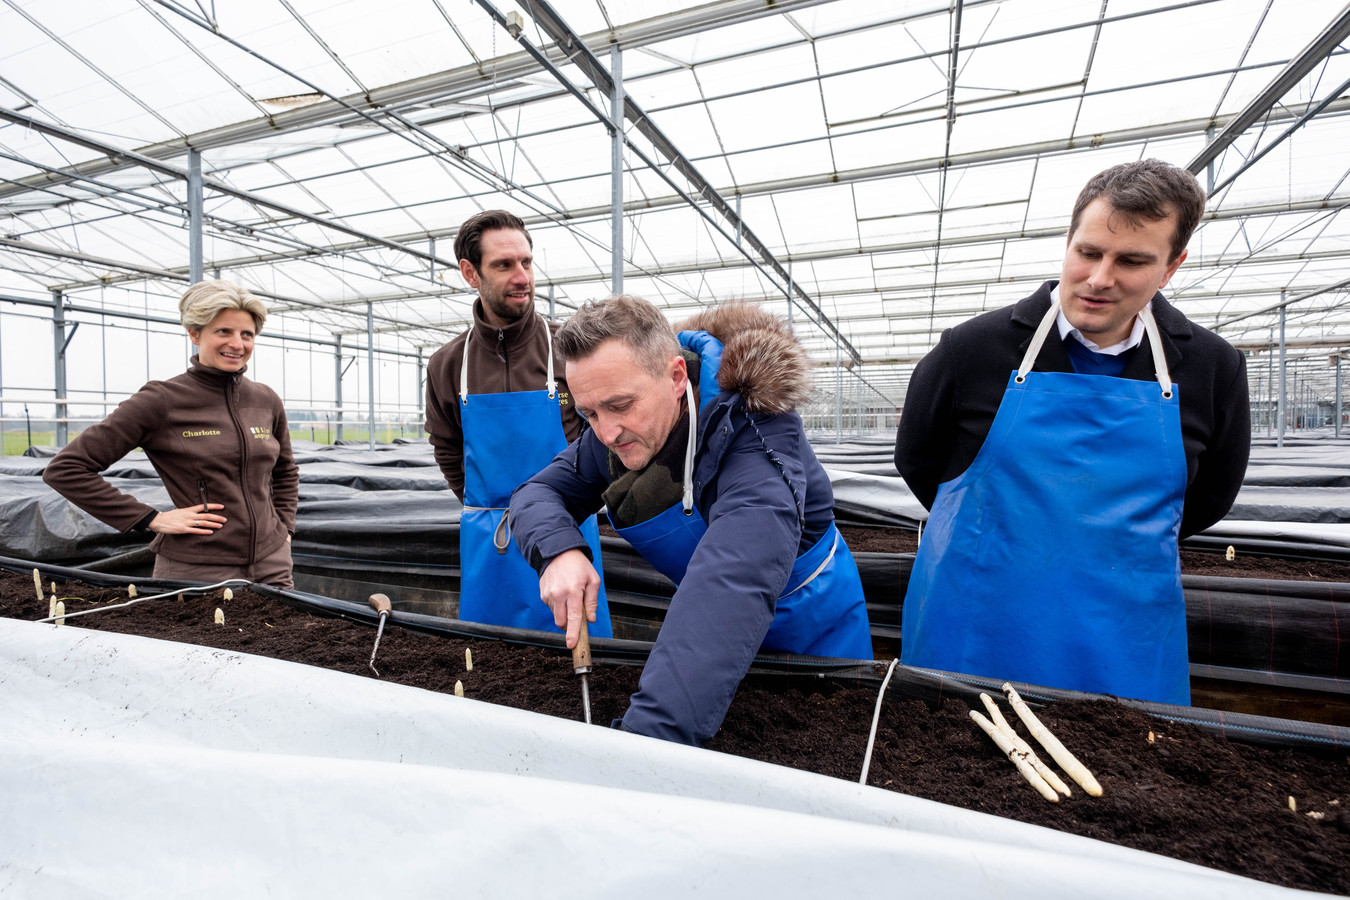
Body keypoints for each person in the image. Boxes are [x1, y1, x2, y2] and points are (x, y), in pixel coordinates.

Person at [893, 159, 1250, 706]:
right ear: (1069, 241)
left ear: (1172, 266)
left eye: (1132, 261)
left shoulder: (1212, 368)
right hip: (974, 626)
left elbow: (1208, 498)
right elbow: (919, 461)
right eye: (1088, 252)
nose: (1100, 278)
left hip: (1125, 638)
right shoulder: (971, 351)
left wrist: (1111, 546)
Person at [509, 295, 873, 745]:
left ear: (676, 377)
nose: (605, 432)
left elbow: (732, 583)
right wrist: (558, 549)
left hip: (808, 632)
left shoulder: (754, 436)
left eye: (620, 405)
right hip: (703, 626)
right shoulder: (615, 436)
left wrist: (646, 747)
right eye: (590, 412)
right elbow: (537, 492)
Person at [424, 210, 611, 636]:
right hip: (490, 545)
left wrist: (578, 507)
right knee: (490, 661)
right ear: (470, 273)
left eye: (527, 262)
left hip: (568, 533)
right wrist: (487, 510)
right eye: (504, 265)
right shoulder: (448, 365)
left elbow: (603, 438)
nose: (522, 276)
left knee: (579, 653)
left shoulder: (568, 348)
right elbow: (448, 448)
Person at [43, 280, 299, 588]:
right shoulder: (162, 400)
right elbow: (66, 469)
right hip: (198, 569)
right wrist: (150, 518)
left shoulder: (265, 399)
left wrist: (284, 528)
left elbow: (285, 472)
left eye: (247, 334)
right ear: (194, 334)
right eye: (223, 332)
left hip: (273, 563)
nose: (238, 344)